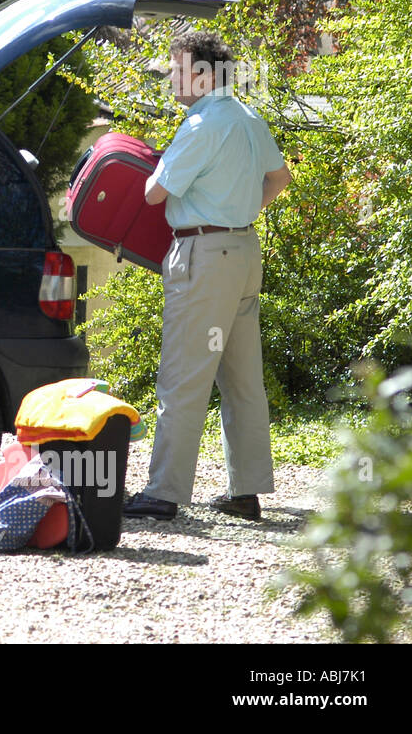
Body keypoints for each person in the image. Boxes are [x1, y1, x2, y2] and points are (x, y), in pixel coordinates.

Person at [123, 30, 292, 522]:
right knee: (242, 379)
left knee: (182, 376)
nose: (170, 77)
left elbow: (155, 193)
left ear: (201, 73)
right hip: (242, 250)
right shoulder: (246, 115)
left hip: (202, 254)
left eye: (176, 68)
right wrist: (238, 215)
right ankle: (246, 492)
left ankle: (164, 494)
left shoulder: (199, 124)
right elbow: (279, 178)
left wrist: (162, 176)